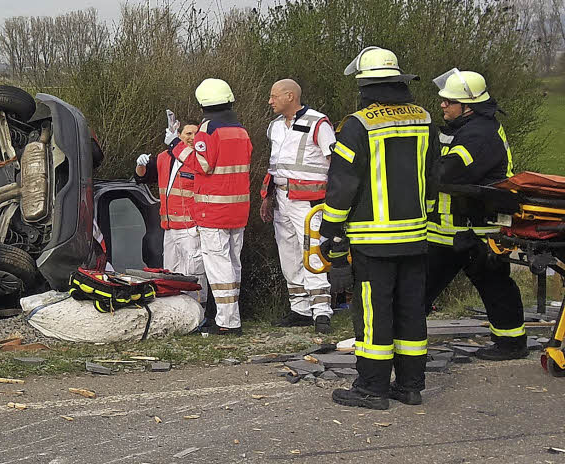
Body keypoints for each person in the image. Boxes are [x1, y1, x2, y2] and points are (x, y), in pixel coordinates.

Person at [323, 47, 439, 410]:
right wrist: (428, 215)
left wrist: (332, 228)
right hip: (416, 236)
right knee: (410, 310)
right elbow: (434, 175)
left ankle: (372, 388)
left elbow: (343, 184)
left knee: (375, 315)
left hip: (374, 241)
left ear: (366, 86)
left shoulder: (359, 124)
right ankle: (410, 387)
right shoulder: (424, 119)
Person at [426, 69, 526, 361]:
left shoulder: (479, 135)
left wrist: (419, 165)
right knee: (422, 287)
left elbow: (447, 172)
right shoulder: (464, 128)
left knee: (493, 285)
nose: (443, 105)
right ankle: (511, 343)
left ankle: (511, 344)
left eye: (449, 101)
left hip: (474, 230)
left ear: (468, 106)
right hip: (452, 229)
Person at [166, 79, 253, 336]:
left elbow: (202, 165)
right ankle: (231, 317)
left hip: (213, 210)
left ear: (203, 103)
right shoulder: (241, 130)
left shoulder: (208, 131)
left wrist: (175, 146)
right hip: (238, 208)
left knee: (218, 266)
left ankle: (227, 322)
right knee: (233, 264)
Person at [262, 79, 336, 334]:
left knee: (313, 251)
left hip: (308, 200)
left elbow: (334, 162)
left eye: (274, 96)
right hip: (282, 197)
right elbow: (275, 166)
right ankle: (300, 309)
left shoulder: (318, 122)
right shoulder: (274, 127)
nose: (270, 101)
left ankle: (322, 312)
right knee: (289, 255)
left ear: (290, 96)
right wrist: (268, 197)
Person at [135, 122, 208, 305]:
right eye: (188, 133)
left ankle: (198, 310)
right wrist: (140, 164)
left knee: (193, 272)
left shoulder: (199, 160)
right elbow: (141, 177)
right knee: (171, 272)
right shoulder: (163, 158)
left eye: (195, 134)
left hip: (191, 228)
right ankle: (176, 310)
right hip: (169, 228)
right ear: (179, 135)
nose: (192, 137)